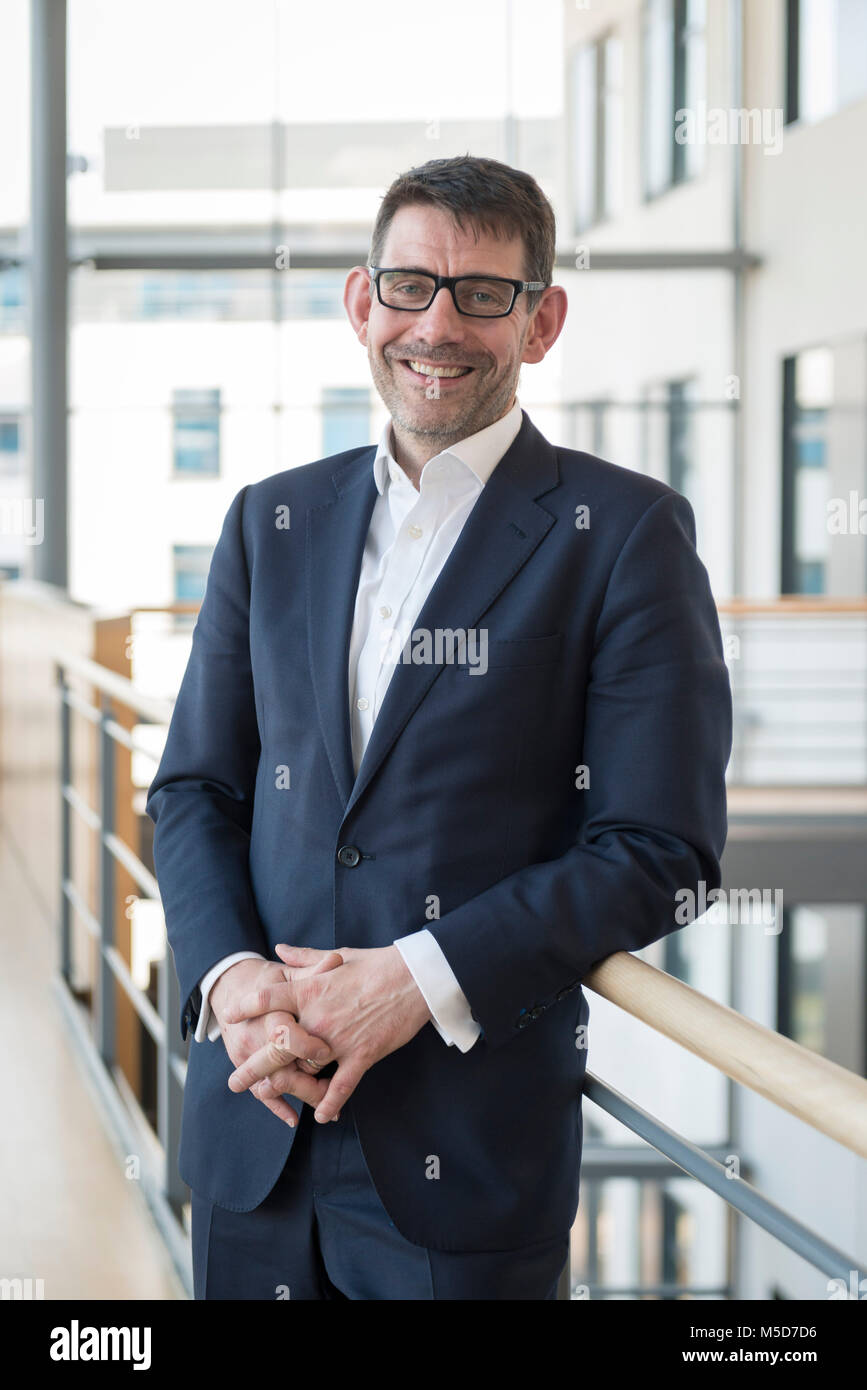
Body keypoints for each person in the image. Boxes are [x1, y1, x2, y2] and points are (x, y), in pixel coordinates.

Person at [146, 154, 732, 1300]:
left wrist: (419, 977)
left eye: (484, 295)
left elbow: (663, 849)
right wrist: (232, 976)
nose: (438, 326)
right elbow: (196, 790)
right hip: (254, 1121)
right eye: (410, 287)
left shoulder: (622, 533)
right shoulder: (271, 520)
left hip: (461, 1160)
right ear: (363, 303)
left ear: (542, 320)